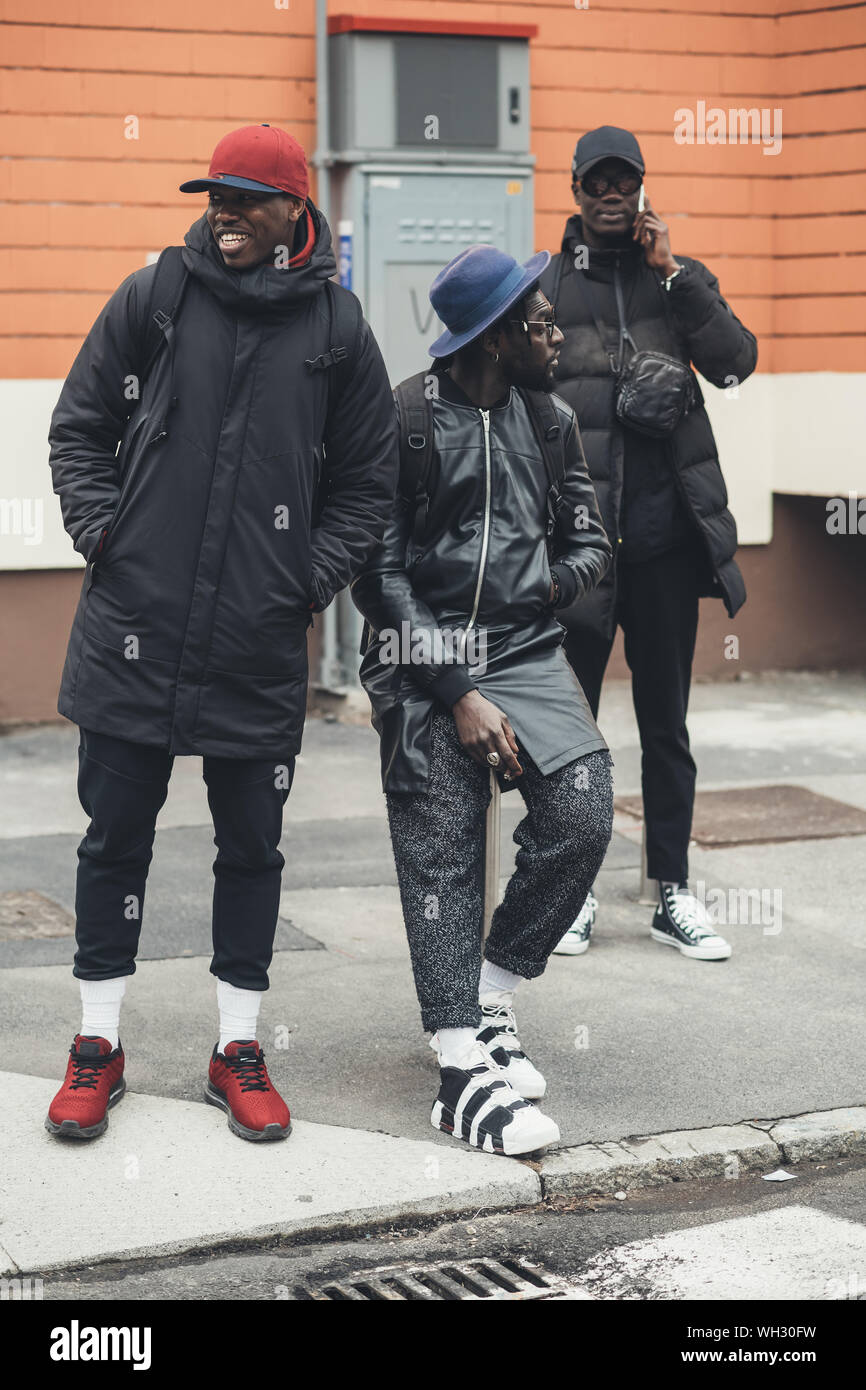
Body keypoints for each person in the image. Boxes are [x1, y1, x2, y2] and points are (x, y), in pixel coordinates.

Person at [46, 124, 398, 1143]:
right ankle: (96, 1046)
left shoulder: (336, 326)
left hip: (254, 638)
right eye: (215, 195)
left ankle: (236, 1048)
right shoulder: (156, 296)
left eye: (246, 198)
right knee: (115, 839)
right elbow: (79, 428)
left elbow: (366, 482)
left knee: (252, 849)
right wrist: (105, 535)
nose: (223, 212)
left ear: (295, 209)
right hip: (132, 628)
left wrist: (304, 579)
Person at [351, 245, 614, 1157]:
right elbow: (376, 576)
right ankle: (459, 1062)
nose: (556, 334)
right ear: (497, 336)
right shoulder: (406, 419)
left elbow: (590, 537)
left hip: (525, 648)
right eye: (541, 322)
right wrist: (457, 691)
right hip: (419, 653)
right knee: (445, 841)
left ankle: (492, 995)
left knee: (582, 810)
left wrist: (546, 585)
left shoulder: (550, 421)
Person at [540, 126, 757, 963]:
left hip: (665, 545)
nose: (610, 195)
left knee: (666, 726)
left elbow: (736, 363)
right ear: (576, 191)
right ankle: (573, 892)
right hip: (583, 553)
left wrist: (675, 274)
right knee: (572, 732)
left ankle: (671, 891)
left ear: (640, 188)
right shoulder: (551, 284)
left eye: (623, 180)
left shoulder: (678, 281)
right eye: (596, 182)